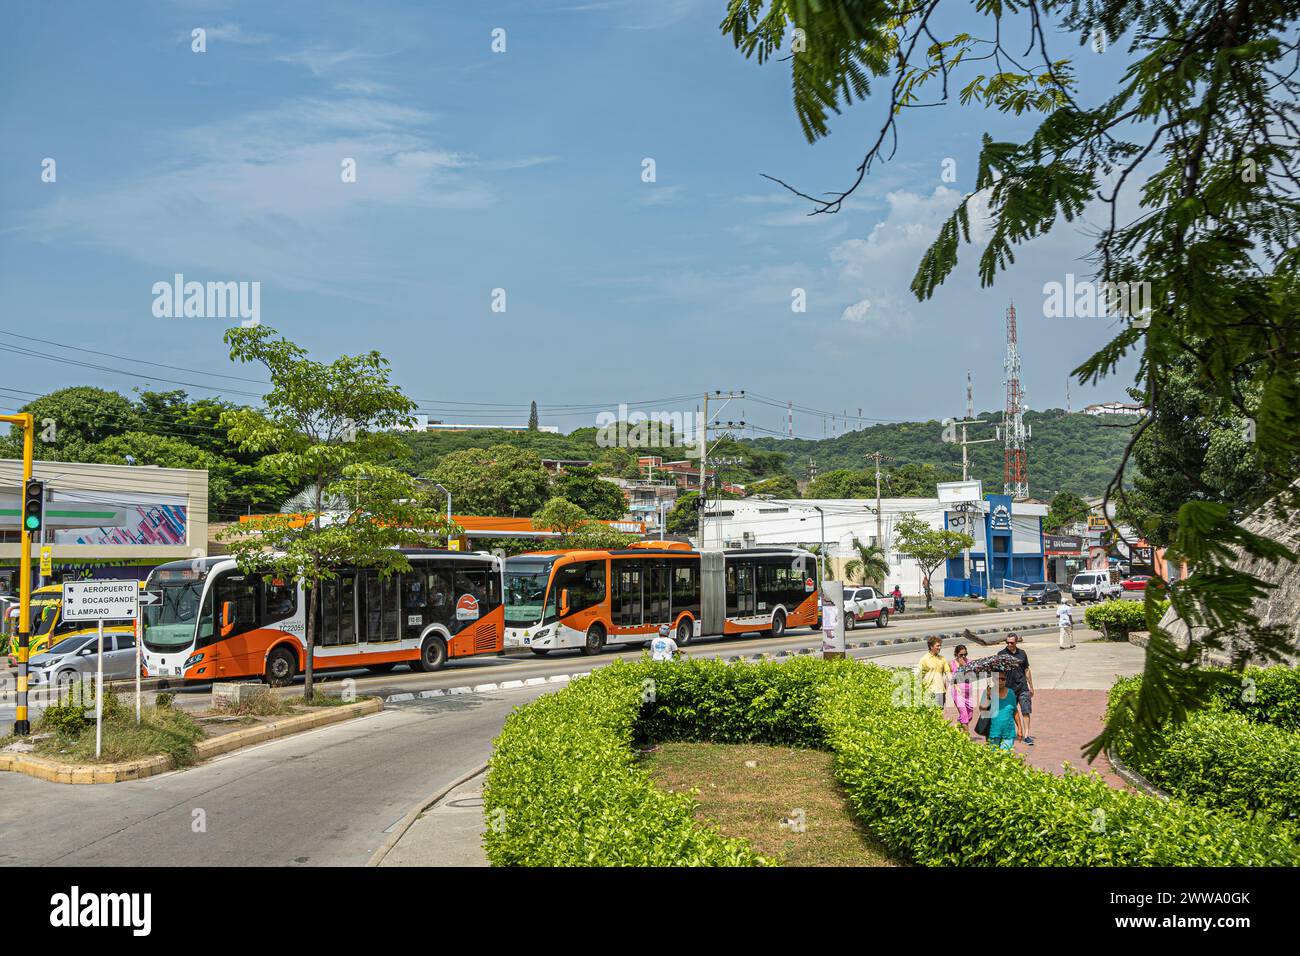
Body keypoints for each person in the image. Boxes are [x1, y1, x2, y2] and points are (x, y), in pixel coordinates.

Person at [998, 633, 1035, 744]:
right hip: (1008, 689)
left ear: (1016, 642)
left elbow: (1027, 670)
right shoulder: (1001, 654)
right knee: (1009, 712)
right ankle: (1011, 733)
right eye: (1007, 642)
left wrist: (1031, 686)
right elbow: (997, 672)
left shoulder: (1022, 653)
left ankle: (1027, 735)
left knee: (1025, 711)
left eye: (1011, 642)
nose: (1009, 644)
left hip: (1023, 687)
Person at [982, 670, 1021, 750]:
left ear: (1005, 680)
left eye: (1002, 679)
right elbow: (983, 710)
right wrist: (988, 697)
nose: (1000, 681)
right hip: (993, 732)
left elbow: (1015, 711)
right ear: (993, 680)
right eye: (997, 679)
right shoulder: (988, 692)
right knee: (994, 759)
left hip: (1009, 732)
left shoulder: (1011, 693)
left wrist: (1020, 728)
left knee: (1006, 757)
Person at [917, 636, 949, 708]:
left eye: (940, 645)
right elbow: (919, 675)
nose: (939, 648)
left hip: (940, 690)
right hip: (929, 691)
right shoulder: (924, 659)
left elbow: (948, 673)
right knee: (929, 713)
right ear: (931, 646)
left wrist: (954, 684)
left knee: (939, 713)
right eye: (937, 646)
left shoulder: (942, 659)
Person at [950, 644, 974, 734]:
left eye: (965, 654)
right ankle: (966, 736)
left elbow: (972, 677)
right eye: (961, 655)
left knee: (970, 714)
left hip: (968, 691)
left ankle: (959, 724)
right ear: (956, 654)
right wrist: (960, 666)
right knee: (964, 714)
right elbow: (951, 679)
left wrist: (966, 667)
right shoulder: (952, 664)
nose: (963, 656)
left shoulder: (970, 662)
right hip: (957, 691)